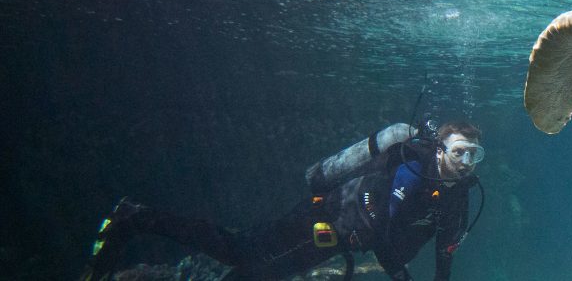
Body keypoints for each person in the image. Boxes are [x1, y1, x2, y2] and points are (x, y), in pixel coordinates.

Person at [82, 120, 485, 281]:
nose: (465, 162)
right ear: (438, 150)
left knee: (254, 268)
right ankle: (137, 217)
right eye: (459, 151)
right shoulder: (410, 173)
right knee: (240, 253)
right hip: (320, 225)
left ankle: (136, 217)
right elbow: (380, 230)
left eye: (473, 154)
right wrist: (400, 275)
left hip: (337, 242)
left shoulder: (459, 196)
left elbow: (446, 248)